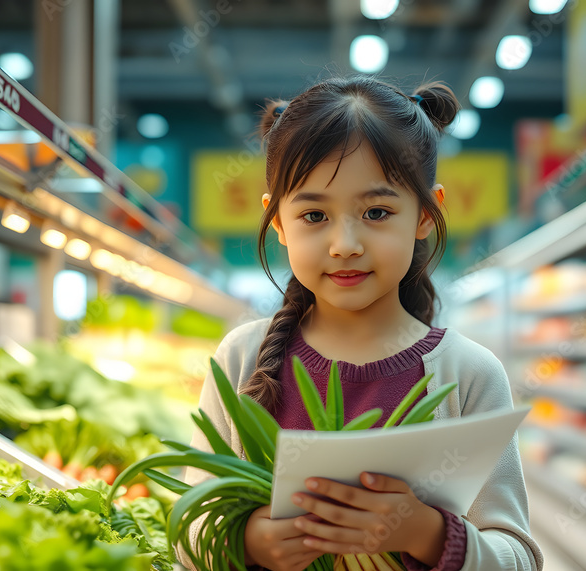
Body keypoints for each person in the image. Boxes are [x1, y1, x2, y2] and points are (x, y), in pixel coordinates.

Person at [178, 75, 543, 571]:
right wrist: (249, 540)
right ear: (278, 221)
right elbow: (188, 526)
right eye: (313, 216)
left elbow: (518, 556)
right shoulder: (241, 358)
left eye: (375, 211)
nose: (345, 243)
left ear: (425, 215)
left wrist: (429, 534)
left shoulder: (469, 374)